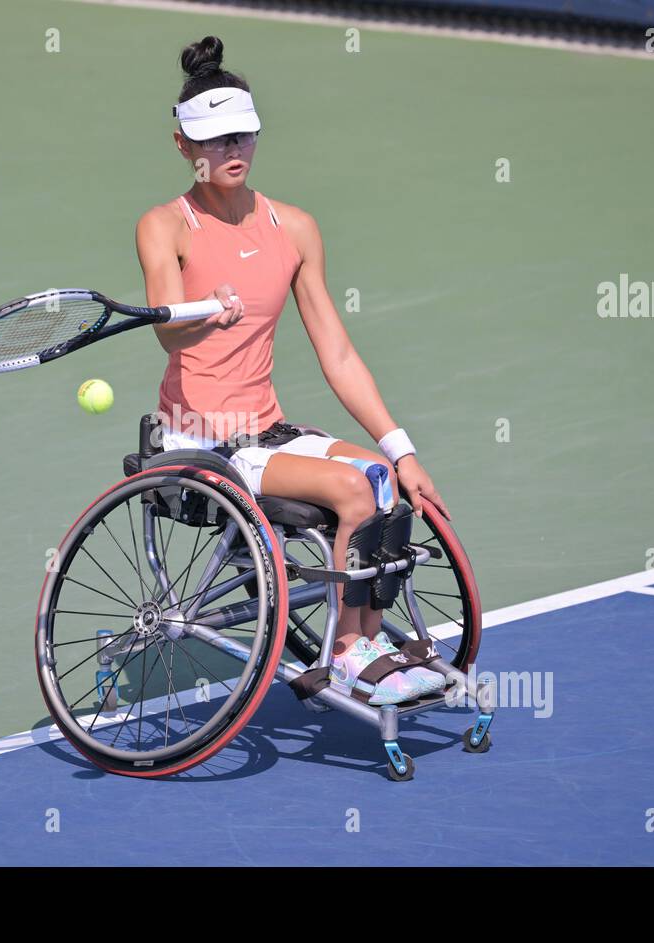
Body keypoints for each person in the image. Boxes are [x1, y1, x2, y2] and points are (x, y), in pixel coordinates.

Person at [135, 36, 452, 705]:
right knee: (356, 492)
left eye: (242, 136)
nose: (232, 152)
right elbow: (167, 331)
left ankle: (370, 642)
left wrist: (403, 447)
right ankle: (346, 653)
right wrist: (204, 315)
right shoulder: (166, 226)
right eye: (215, 141)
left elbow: (336, 351)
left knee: (382, 477)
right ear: (183, 147)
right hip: (200, 441)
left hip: (267, 432)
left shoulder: (295, 228)